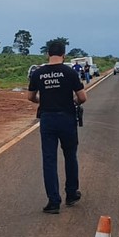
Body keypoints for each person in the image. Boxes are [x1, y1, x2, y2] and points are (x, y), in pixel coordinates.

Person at [28, 40, 87, 214]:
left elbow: (30, 97)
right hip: (67, 118)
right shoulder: (69, 72)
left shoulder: (38, 73)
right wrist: (73, 101)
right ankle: (71, 194)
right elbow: (82, 97)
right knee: (70, 156)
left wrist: (43, 100)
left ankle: (53, 201)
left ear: (47, 54)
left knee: (49, 160)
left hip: (47, 119)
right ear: (64, 55)